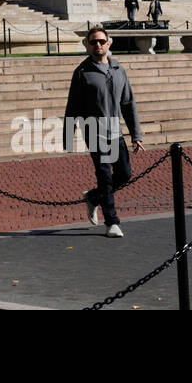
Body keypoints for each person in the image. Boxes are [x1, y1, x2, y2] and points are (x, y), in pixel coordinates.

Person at [64, 25, 144, 238]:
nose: (97, 45)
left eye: (101, 41)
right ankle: (112, 222)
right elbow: (73, 106)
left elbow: (128, 103)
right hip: (94, 132)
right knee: (105, 177)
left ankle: (93, 197)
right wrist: (68, 137)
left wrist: (136, 134)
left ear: (108, 43)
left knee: (125, 174)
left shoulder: (119, 70)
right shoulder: (82, 72)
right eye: (93, 42)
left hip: (115, 132)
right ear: (87, 45)